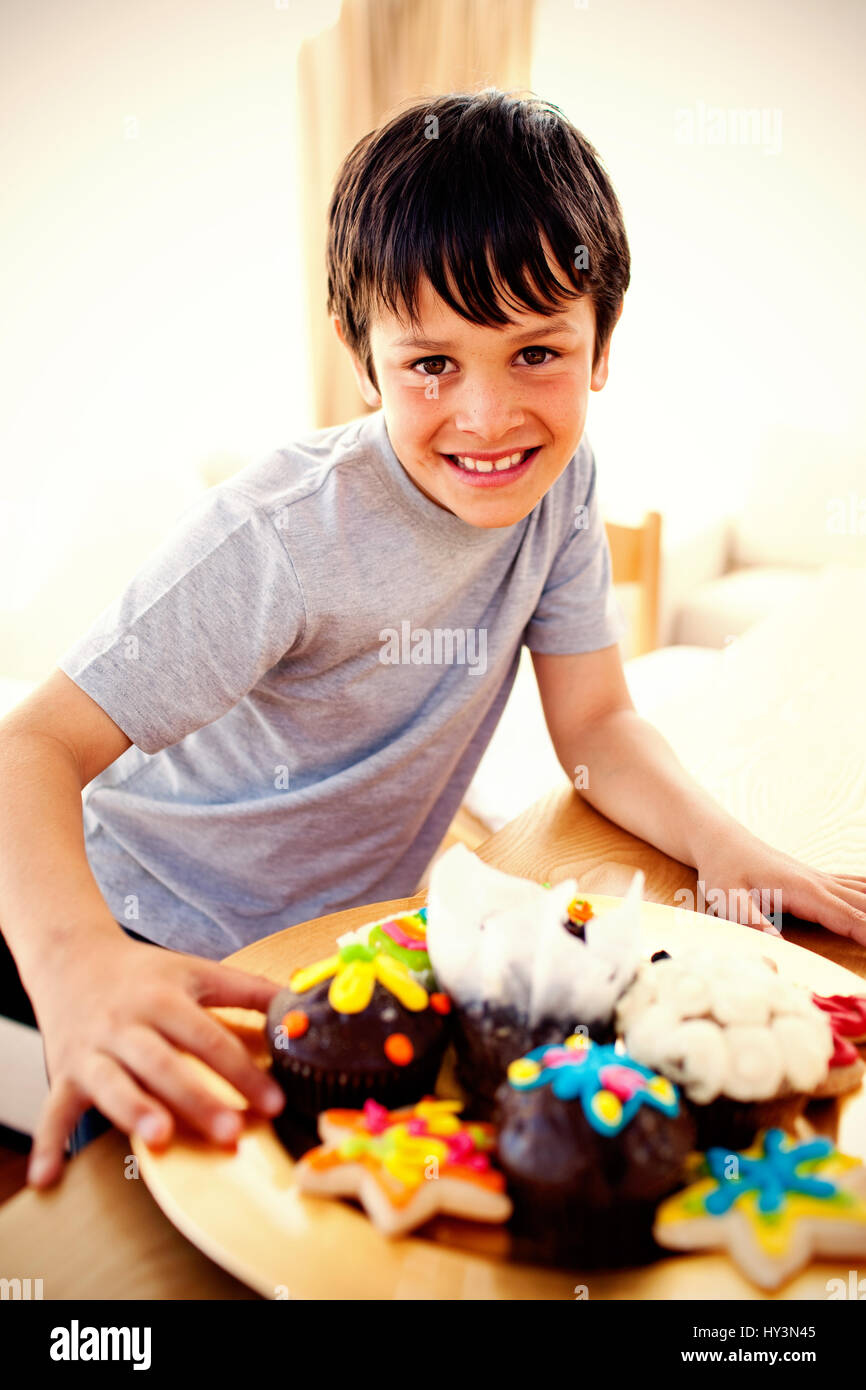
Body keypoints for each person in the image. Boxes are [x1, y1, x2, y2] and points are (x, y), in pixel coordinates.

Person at [2, 90, 864, 1190]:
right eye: (430, 365)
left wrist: (722, 842)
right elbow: (24, 751)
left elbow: (594, 720)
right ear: (364, 360)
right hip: (159, 953)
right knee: (155, 1230)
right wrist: (81, 969)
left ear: (601, 344)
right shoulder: (278, 533)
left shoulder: (564, 485)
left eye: (536, 352)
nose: (489, 417)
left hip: (345, 958)